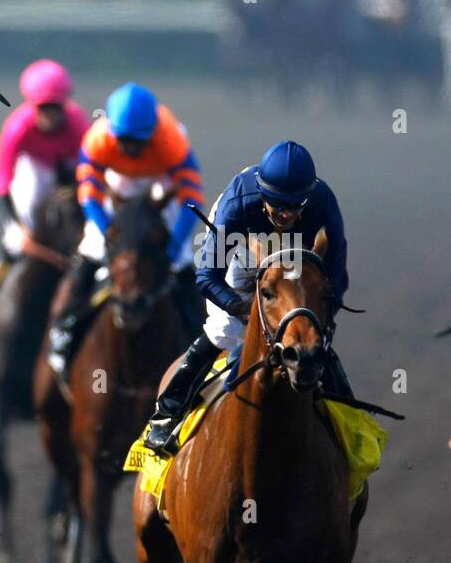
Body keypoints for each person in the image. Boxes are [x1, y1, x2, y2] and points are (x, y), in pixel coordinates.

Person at [142, 140, 351, 454]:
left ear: (307, 198)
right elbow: (207, 277)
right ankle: (167, 414)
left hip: (298, 255)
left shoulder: (323, 203)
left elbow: (336, 278)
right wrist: (242, 308)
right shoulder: (239, 204)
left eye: (295, 206)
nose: (285, 213)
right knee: (225, 330)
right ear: (263, 194)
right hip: (245, 246)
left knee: (312, 337)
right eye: (277, 204)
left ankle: (350, 415)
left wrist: (318, 323)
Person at [47, 82, 204, 377]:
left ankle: (199, 337)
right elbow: (88, 193)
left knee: (183, 262)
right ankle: (64, 333)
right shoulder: (97, 140)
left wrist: (174, 245)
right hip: (118, 182)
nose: (131, 148)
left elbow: (192, 199)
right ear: (112, 132)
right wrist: (108, 232)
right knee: (90, 252)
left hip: (161, 183)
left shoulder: (171, 139)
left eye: (138, 141)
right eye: (125, 140)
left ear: (153, 132)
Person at [0, 58, 90, 378]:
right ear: (32, 104)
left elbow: (88, 172)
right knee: (12, 247)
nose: (51, 114)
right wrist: (17, 227)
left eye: (56, 106)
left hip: (68, 182)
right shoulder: (18, 126)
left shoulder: (79, 122)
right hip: (30, 182)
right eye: (44, 107)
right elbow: (2, 180)